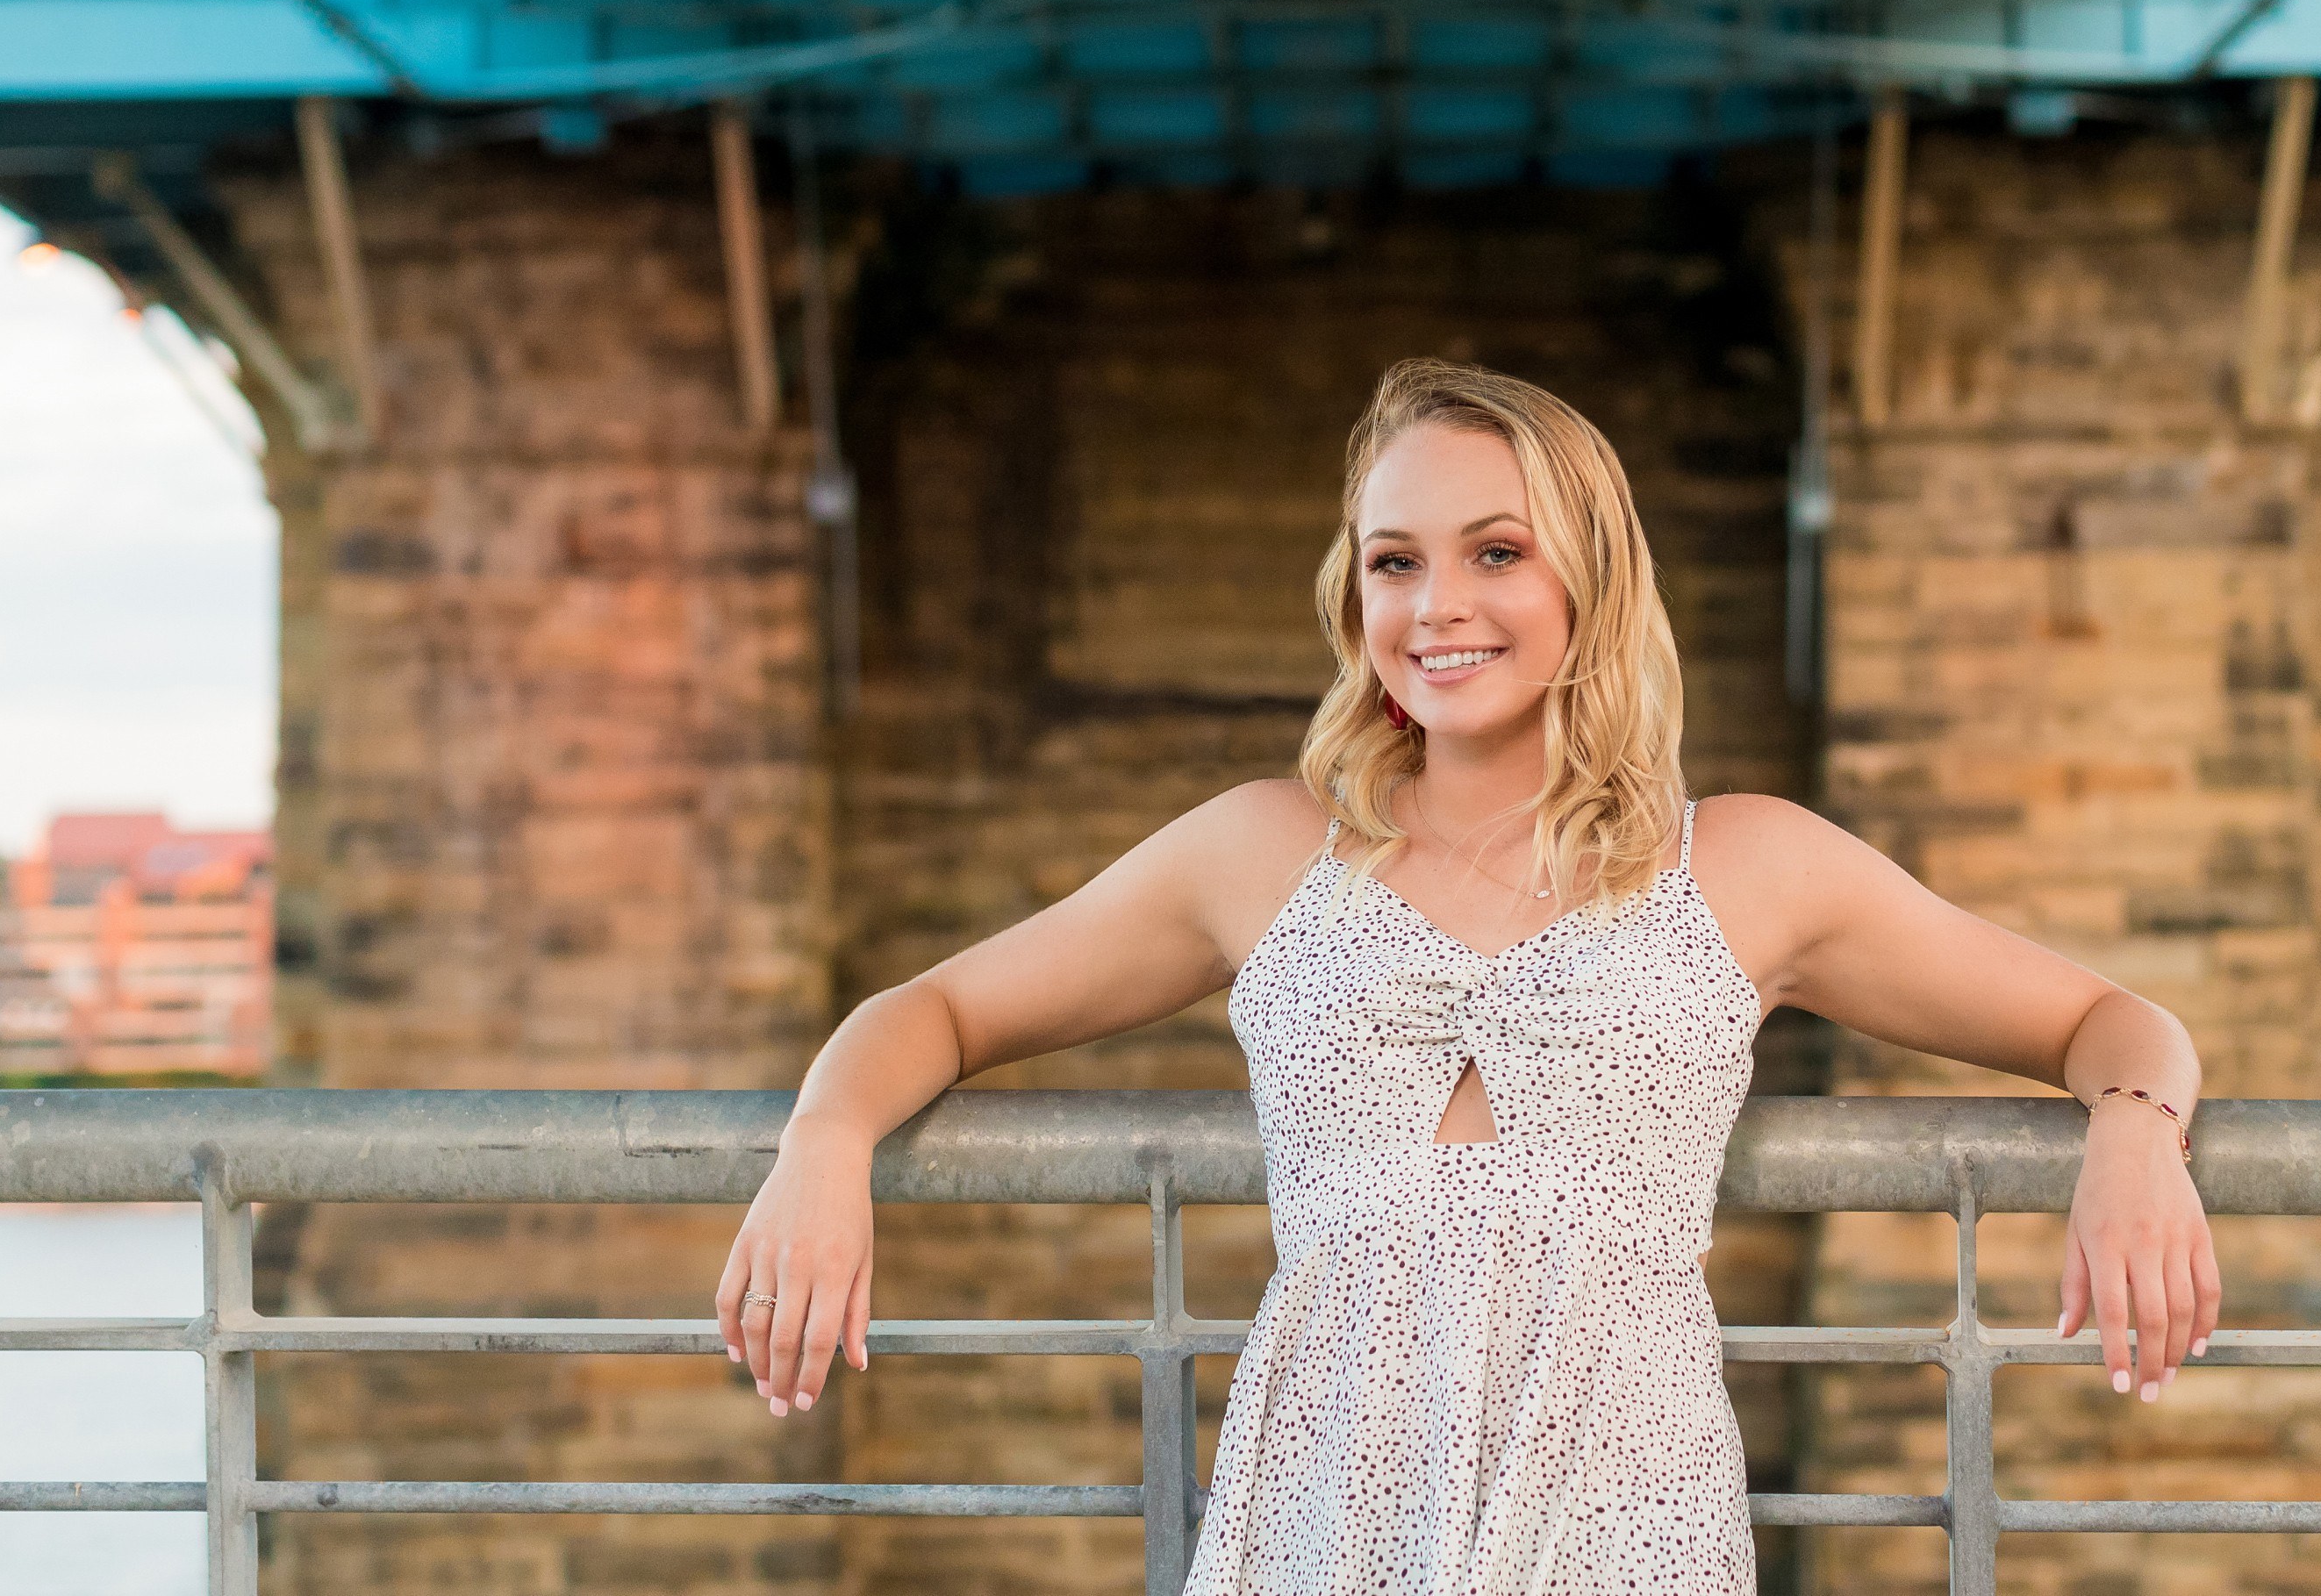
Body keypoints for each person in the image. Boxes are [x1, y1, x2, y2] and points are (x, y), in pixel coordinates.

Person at [716, 357, 2218, 1593]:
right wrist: (826, 1143)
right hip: (1324, 1517)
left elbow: (2106, 1019)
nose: (1439, 606)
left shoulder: (1752, 870)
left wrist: (2136, 1132)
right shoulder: (1258, 856)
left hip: (1625, 1517)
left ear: (1590, 577)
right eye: (1396, 563)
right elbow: (936, 1009)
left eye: (1496, 553)